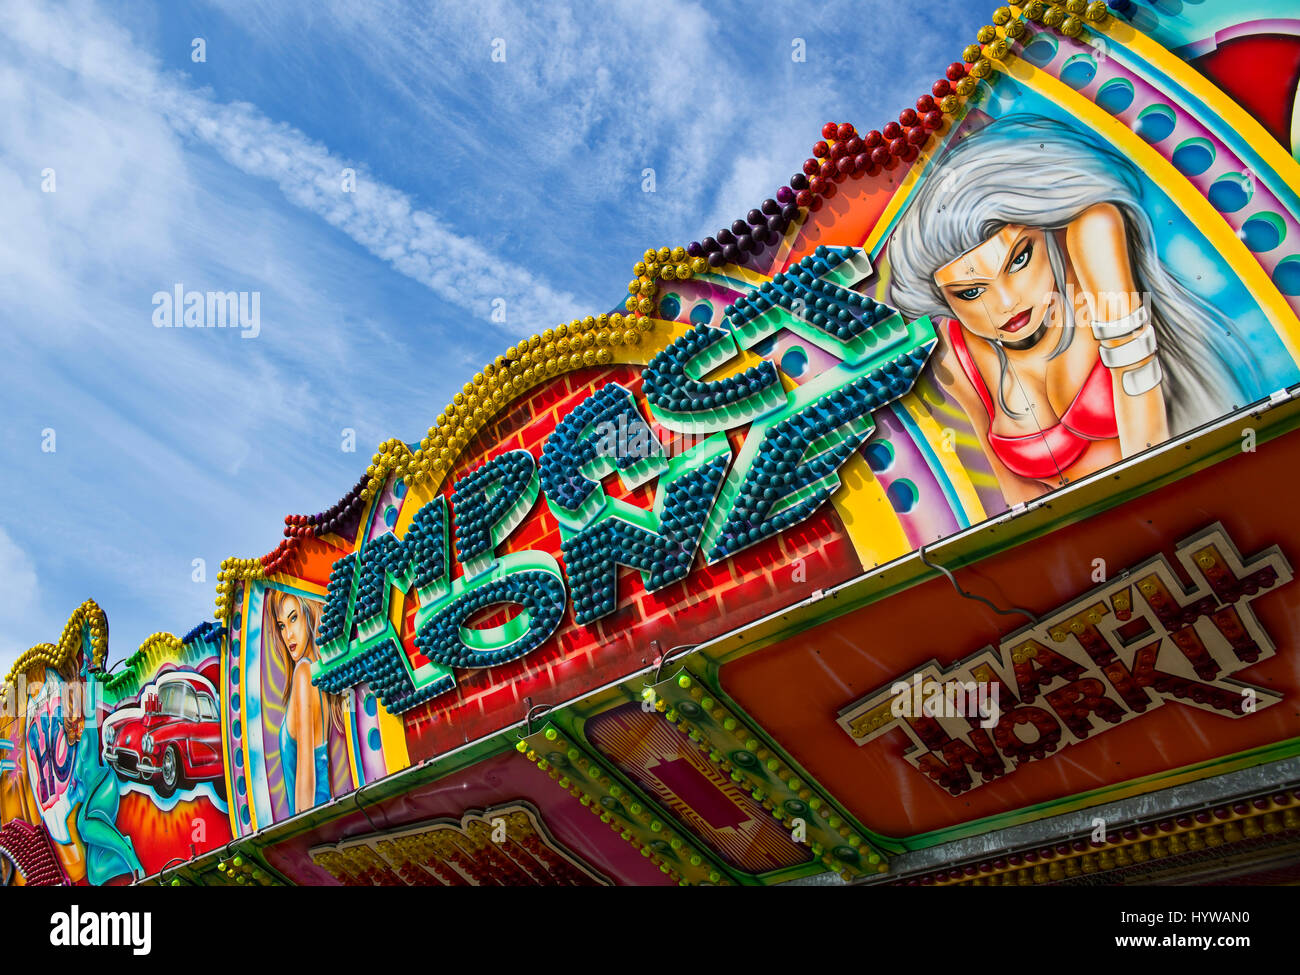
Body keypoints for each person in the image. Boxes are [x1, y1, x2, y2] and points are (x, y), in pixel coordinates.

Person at [888, 114, 1260, 504]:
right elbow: (1013, 492)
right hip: (1089, 543)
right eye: (969, 293)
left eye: (1018, 261)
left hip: (1180, 493)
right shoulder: (954, 350)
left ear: (1045, 229)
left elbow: (1140, 395)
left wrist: (1153, 510)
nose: (1005, 303)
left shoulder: (1090, 232)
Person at [263, 590, 342, 815]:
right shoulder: (314, 672)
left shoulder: (304, 674)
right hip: (321, 809)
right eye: (281, 625)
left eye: (293, 618)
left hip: (312, 811)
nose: (288, 635)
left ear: (309, 614)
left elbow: (306, 770)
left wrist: (301, 827)